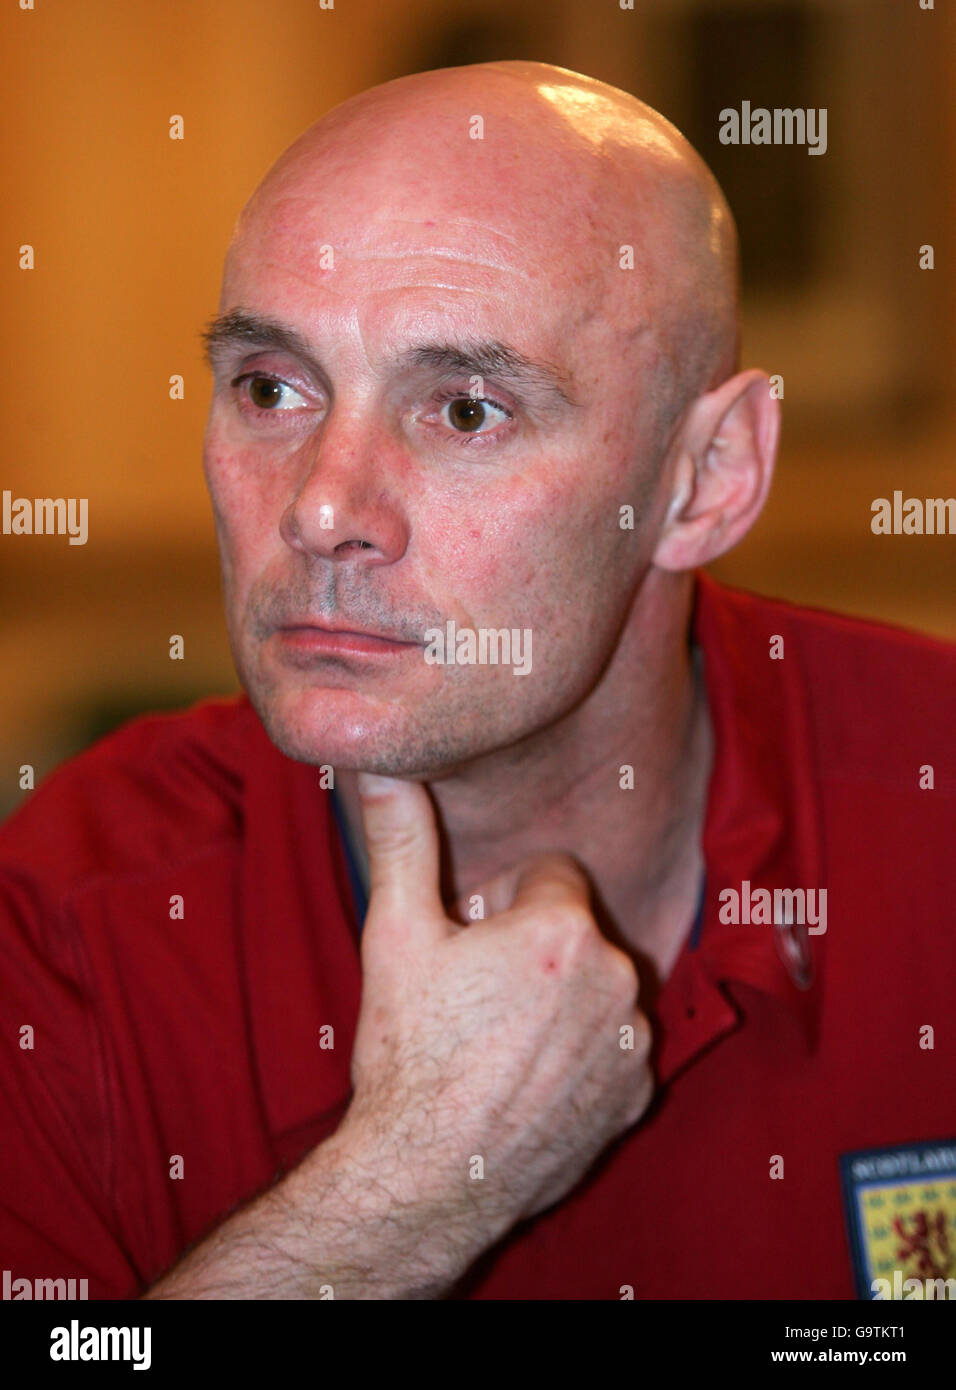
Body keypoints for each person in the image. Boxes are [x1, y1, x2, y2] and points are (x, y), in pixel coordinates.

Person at [1, 61, 953, 1302]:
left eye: (461, 409)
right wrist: (399, 1197)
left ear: (706, 475)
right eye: (271, 390)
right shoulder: (74, 915)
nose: (324, 508)